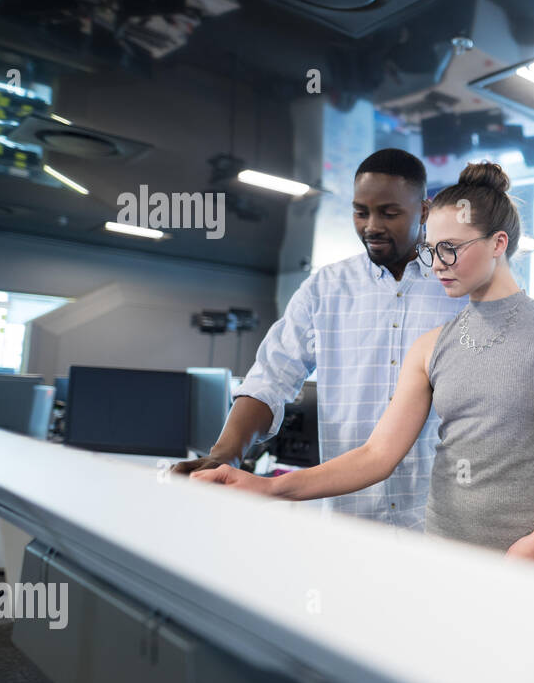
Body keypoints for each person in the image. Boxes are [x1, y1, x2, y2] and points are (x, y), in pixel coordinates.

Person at [195, 162, 534, 563]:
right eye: (431, 250)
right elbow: (376, 455)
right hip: (438, 553)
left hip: (526, 557)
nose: (437, 265)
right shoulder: (430, 347)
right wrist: (265, 486)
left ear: (498, 243)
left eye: (450, 248)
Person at [173, 149, 465, 531]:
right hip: (350, 522)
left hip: (440, 526)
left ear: (424, 211)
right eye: (361, 212)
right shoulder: (325, 289)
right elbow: (269, 379)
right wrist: (226, 454)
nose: (371, 226)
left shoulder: (457, 287)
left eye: (389, 213)